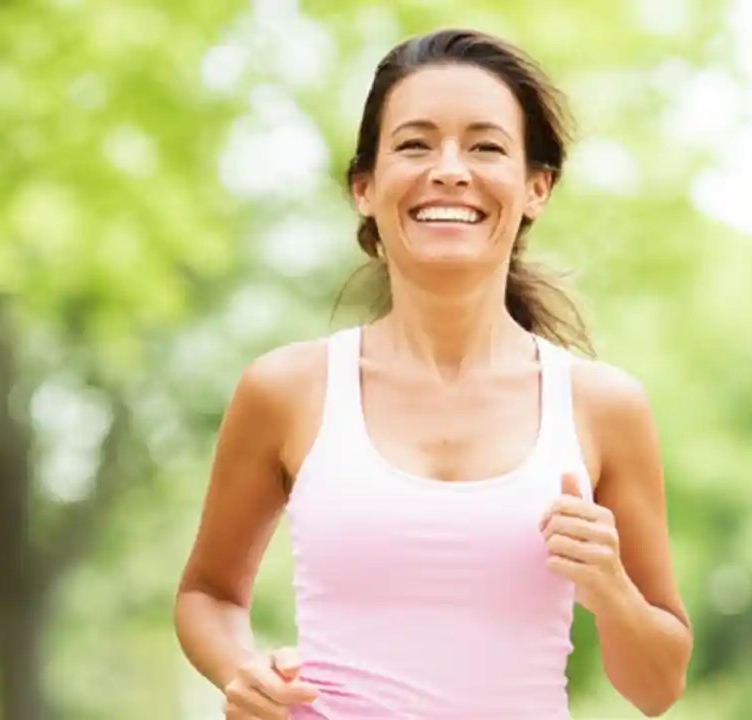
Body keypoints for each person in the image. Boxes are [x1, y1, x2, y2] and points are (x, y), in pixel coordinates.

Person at [174, 28, 691, 719]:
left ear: (537, 188)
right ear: (365, 187)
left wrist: (611, 589)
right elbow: (207, 593)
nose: (449, 170)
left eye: (485, 146)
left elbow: (657, 688)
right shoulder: (287, 390)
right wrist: (245, 673)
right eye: (415, 144)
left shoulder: (603, 406)